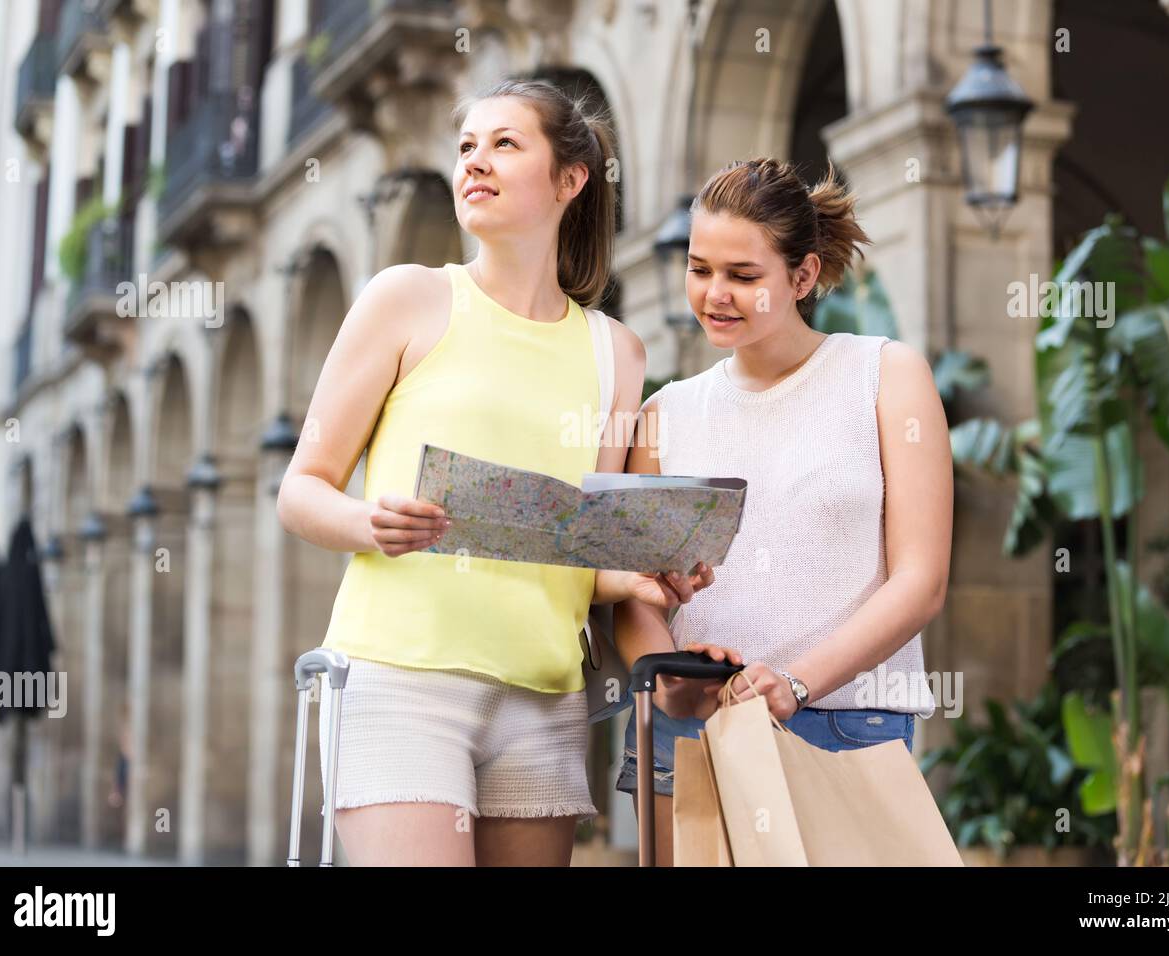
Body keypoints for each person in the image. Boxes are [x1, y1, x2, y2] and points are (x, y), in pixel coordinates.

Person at [276, 78, 714, 866]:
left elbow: (573, 546)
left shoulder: (616, 353)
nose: (474, 163)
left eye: (504, 144)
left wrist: (640, 577)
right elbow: (300, 489)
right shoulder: (406, 299)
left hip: (543, 701)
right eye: (466, 147)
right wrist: (367, 522)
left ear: (570, 181)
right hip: (400, 683)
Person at [613, 158, 952, 865]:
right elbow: (629, 596)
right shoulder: (663, 414)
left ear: (802, 277)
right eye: (699, 269)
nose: (714, 294)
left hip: (849, 727)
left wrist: (795, 684)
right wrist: (668, 677)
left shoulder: (885, 377)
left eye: (743, 275)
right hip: (693, 733)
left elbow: (921, 581)